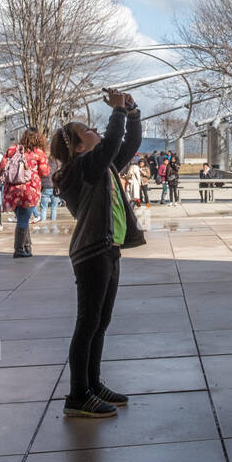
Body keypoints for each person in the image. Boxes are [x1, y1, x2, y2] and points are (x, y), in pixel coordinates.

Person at [51, 88, 144, 417]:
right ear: (77, 147)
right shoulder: (83, 168)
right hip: (92, 253)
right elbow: (108, 145)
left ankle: (93, 383)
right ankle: (78, 395)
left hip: (108, 249)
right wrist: (116, 112)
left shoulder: (98, 165)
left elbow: (126, 145)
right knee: (88, 322)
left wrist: (131, 113)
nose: (94, 131)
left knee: (100, 322)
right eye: (86, 131)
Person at [0, 127, 49, 257]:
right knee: (23, 220)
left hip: (12, 189)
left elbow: (2, 166)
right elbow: (45, 172)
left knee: (23, 218)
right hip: (29, 190)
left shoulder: (12, 149)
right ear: (38, 138)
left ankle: (27, 248)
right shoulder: (39, 153)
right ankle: (19, 250)